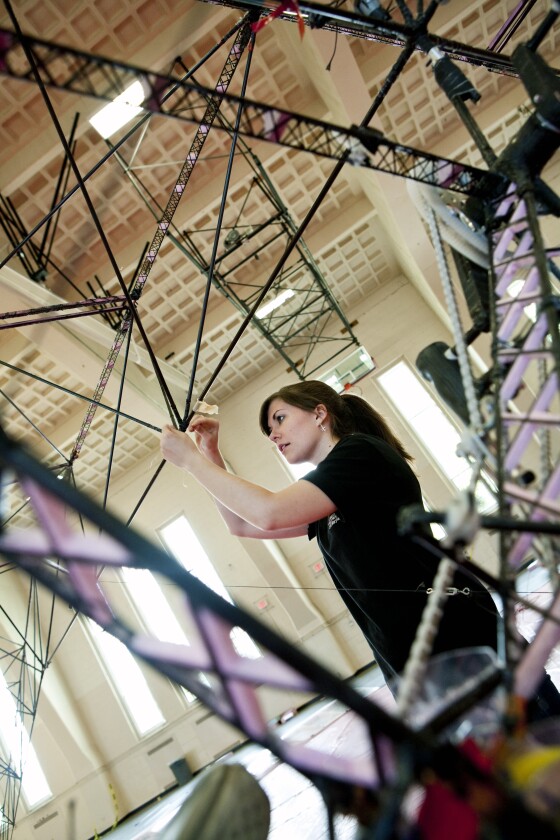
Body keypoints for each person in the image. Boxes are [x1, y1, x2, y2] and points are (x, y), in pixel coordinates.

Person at [160, 380, 559, 719]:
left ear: (320, 414)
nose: (273, 435)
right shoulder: (328, 493)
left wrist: (193, 463)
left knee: (534, 743)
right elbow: (244, 524)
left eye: (279, 419)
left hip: (452, 632)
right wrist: (209, 452)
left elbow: (268, 513)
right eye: (269, 430)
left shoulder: (359, 453)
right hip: (406, 653)